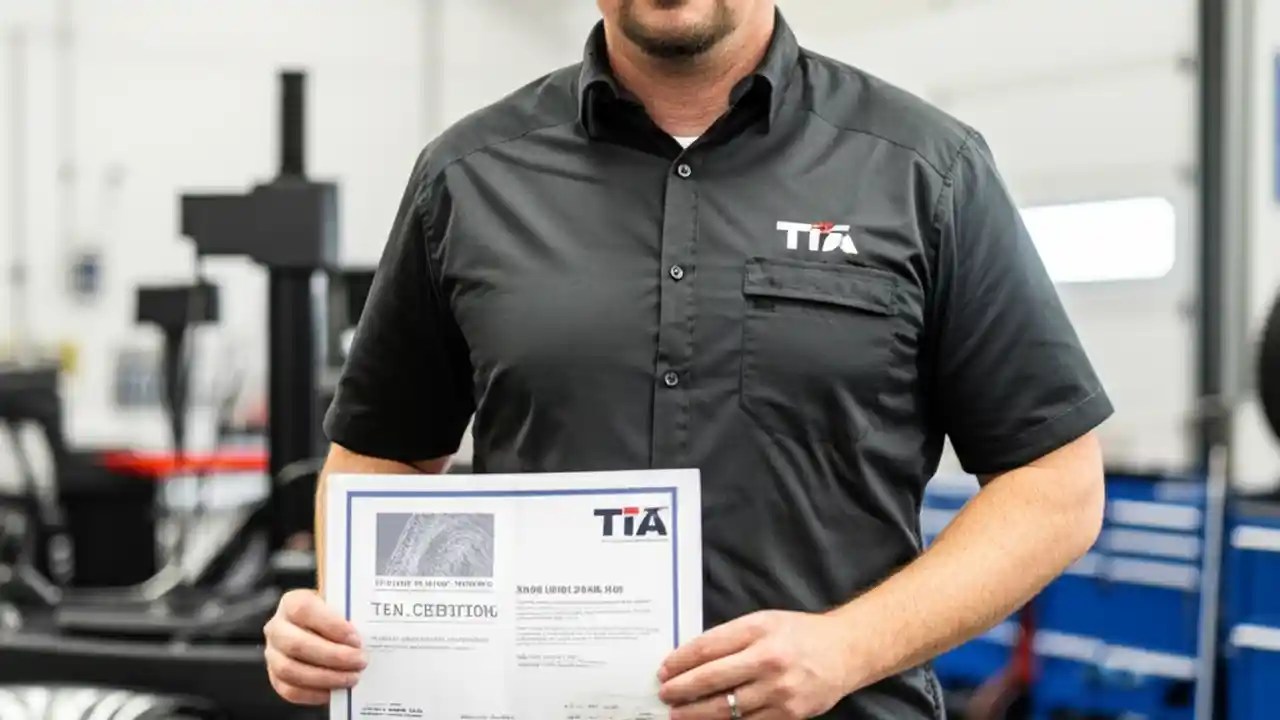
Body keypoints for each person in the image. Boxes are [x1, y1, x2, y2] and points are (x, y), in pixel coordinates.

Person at [262, 1, 1112, 718]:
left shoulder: (924, 172)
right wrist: (351, 613)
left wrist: (846, 647)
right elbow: (381, 460)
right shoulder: (468, 180)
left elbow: (1056, 488)